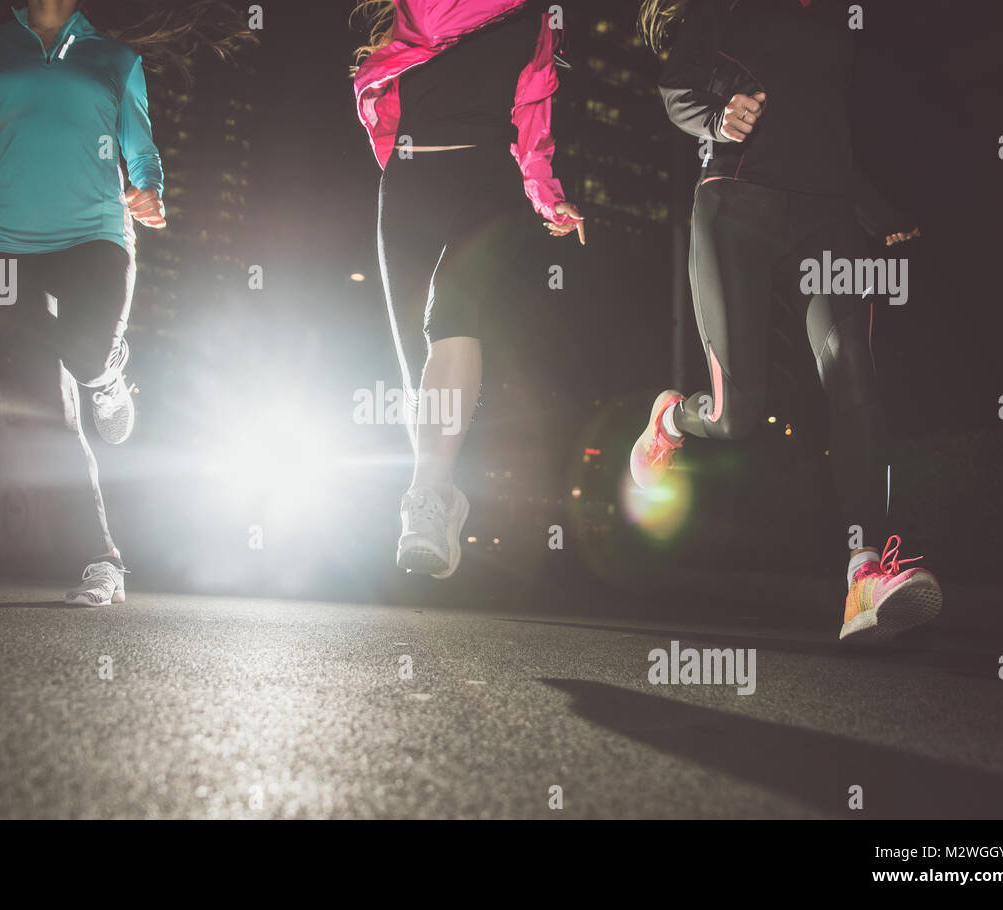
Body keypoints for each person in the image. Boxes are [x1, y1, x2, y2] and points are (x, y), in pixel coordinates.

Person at [631, 0, 940, 642]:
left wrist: (874, 206)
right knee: (736, 415)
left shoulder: (835, 23)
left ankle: (866, 575)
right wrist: (717, 117)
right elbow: (674, 90)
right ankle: (671, 418)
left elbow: (827, 132)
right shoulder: (721, 12)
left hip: (827, 215)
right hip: (736, 200)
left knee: (853, 366)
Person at [0, 0, 249, 604]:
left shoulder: (115, 55)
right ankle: (102, 560)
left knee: (84, 348)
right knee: (46, 408)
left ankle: (105, 373)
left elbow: (141, 148)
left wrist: (149, 191)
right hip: (2, 243)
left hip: (95, 233)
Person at [353, 0, 585, 580]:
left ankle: (425, 497)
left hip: (486, 184)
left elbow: (533, 117)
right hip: (409, 182)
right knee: (414, 365)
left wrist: (546, 195)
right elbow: (436, 21)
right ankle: (440, 494)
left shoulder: (538, 21)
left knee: (452, 313)